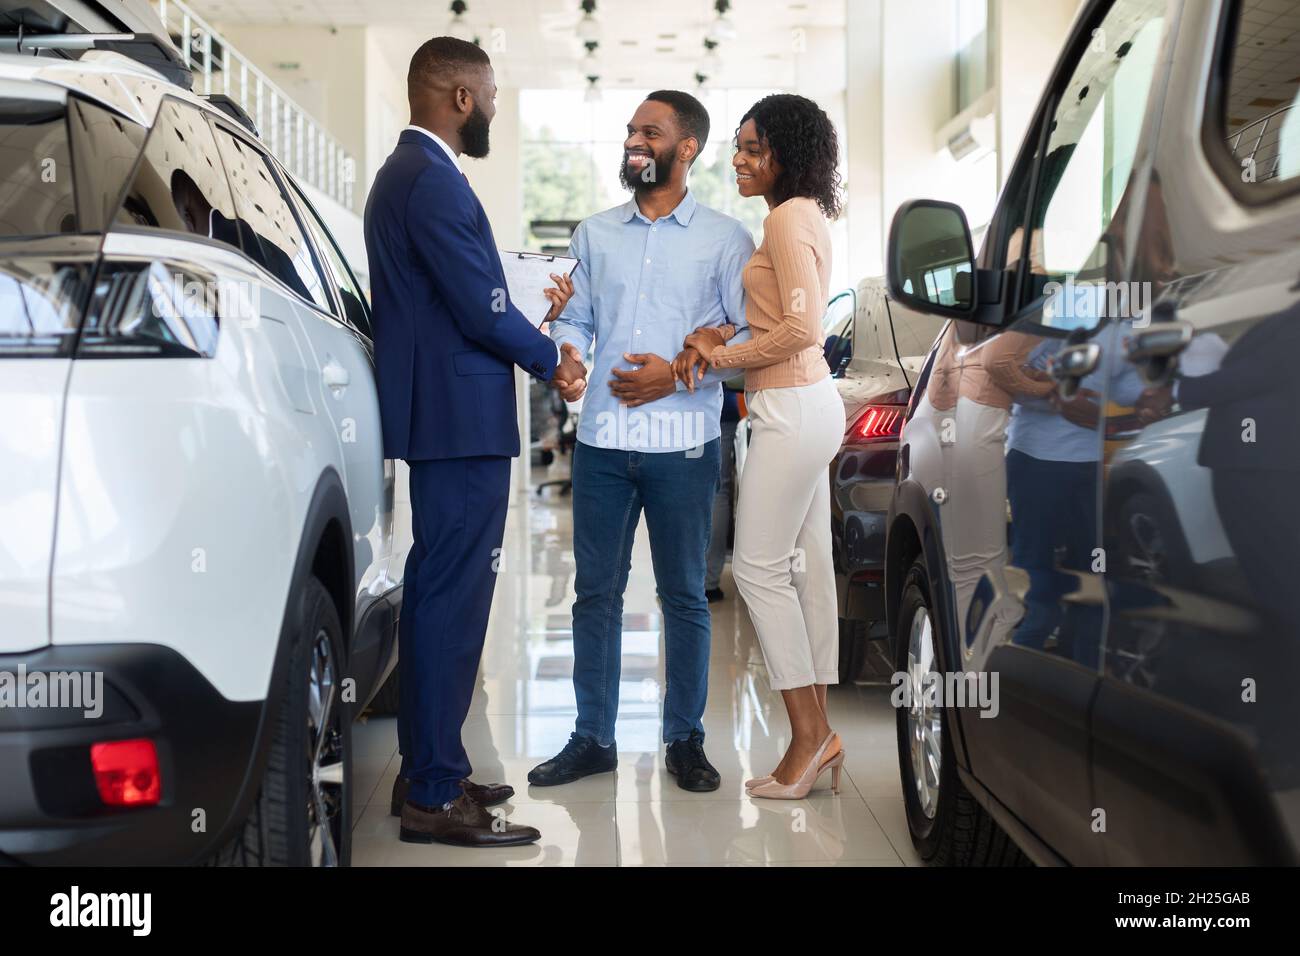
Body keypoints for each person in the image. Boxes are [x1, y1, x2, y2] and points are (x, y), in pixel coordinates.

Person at [364, 36, 586, 847]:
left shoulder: (415, 176)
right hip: (457, 423)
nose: (493, 106)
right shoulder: (429, 181)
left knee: (436, 597)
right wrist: (550, 356)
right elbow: (480, 306)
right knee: (452, 603)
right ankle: (431, 793)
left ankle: (436, 770)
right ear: (459, 95)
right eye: (489, 93)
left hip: (448, 418)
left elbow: (469, 292)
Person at [527, 90, 754, 793]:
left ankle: (684, 739)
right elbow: (580, 318)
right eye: (630, 131)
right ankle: (592, 738)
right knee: (595, 593)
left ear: (686, 148)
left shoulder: (726, 238)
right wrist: (567, 353)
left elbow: (748, 334)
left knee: (684, 594)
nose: (634, 142)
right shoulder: (596, 233)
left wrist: (677, 375)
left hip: (684, 442)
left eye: (648, 133)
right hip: (599, 439)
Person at [673, 93, 846, 799]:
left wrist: (715, 360)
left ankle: (810, 738)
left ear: (786, 153)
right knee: (807, 571)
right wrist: (723, 338)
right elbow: (787, 324)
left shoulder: (785, 218)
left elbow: (802, 333)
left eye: (753, 148)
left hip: (793, 404)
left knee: (758, 571)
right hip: (800, 402)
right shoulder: (800, 216)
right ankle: (820, 738)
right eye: (738, 148)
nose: (738, 161)